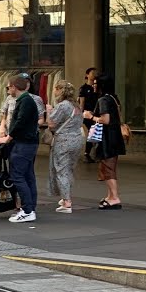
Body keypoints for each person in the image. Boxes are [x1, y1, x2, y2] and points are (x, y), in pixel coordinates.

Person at [0, 74, 40, 223]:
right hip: (26, 143)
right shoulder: (25, 100)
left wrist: (8, 138)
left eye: (8, 87)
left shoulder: (25, 101)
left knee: (18, 176)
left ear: (14, 87)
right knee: (27, 176)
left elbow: (20, 122)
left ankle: (28, 210)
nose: (8, 90)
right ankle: (30, 208)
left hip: (24, 144)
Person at [88, 73, 125, 210]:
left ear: (102, 85)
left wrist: (90, 116)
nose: (93, 85)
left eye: (95, 83)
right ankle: (110, 196)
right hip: (114, 137)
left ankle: (114, 197)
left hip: (107, 138)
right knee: (109, 166)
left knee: (108, 168)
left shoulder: (103, 100)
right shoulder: (113, 98)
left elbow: (105, 120)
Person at [47, 80, 83, 214]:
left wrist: (49, 111)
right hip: (77, 139)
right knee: (69, 169)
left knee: (61, 169)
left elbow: (51, 124)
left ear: (59, 90)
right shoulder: (76, 106)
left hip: (63, 140)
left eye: (55, 89)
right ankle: (66, 196)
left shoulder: (62, 106)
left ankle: (67, 202)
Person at [79, 67, 98, 162]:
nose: (94, 74)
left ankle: (92, 153)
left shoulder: (97, 88)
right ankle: (87, 153)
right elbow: (82, 102)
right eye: (92, 73)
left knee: (95, 133)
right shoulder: (83, 88)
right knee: (92, 132)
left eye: (95, 73)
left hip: (96, 114)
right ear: (87, 75)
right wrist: (81, 115)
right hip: (87, 114)